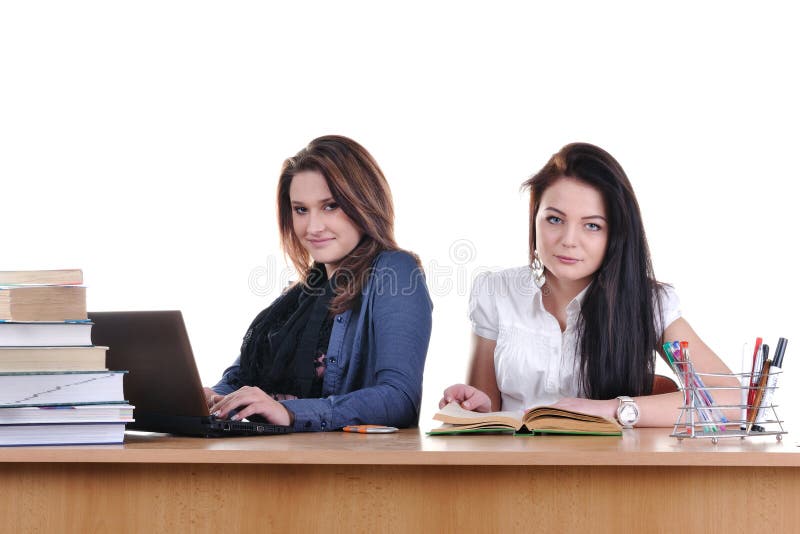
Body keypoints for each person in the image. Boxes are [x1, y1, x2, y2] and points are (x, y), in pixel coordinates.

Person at [440, 142, 737, 427]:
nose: (569, 240)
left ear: (616, 235)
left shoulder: (647, 302)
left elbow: (734, 402)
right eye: (554, 219)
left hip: (606, 473)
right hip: (515, 472)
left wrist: (609, 409)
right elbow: (484, 419)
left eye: (592, 225)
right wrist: (476, 406)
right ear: (535, 218)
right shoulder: (497, 292)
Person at [206, 135, 432, 431]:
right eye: (301, 209)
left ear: (364, 203)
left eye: (330, 206)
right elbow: (240, 378)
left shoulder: (395, 272)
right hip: (276, 460)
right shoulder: (297, 297)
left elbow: (400, 398)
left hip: (343, 469)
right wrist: (213, 398)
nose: (312, 227)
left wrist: (289, 412)